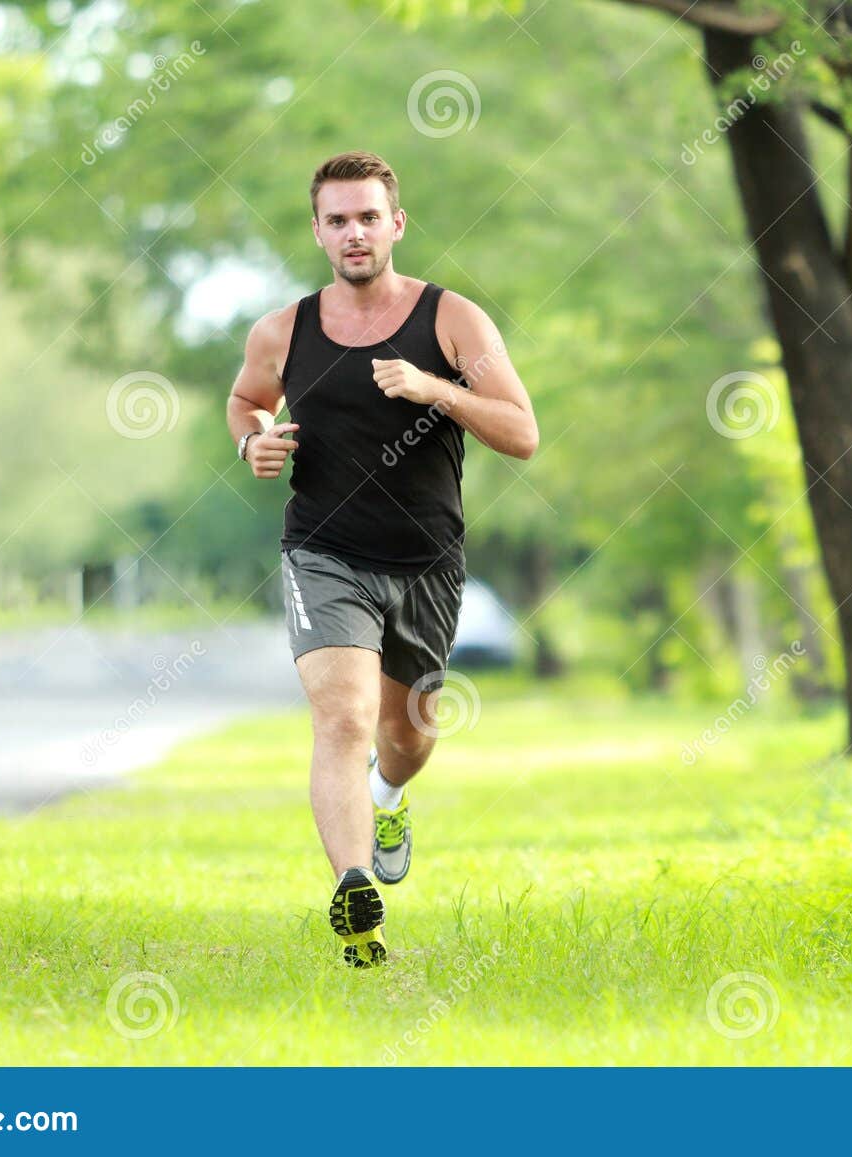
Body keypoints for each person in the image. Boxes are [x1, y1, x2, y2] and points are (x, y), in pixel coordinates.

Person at [225, 150, 538, 966]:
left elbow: (522, 433)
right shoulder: (282, 330)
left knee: (407, 738)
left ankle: (389, 797)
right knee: (343, 718)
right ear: (319, 232)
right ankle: (356, 895)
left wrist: (439, 391)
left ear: (396, 223)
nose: (354, 232)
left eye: (368, 216)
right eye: (338, 220)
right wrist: (253, 442)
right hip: (323, 551)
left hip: (427, 561)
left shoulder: (451, 320)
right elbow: (246, 401)